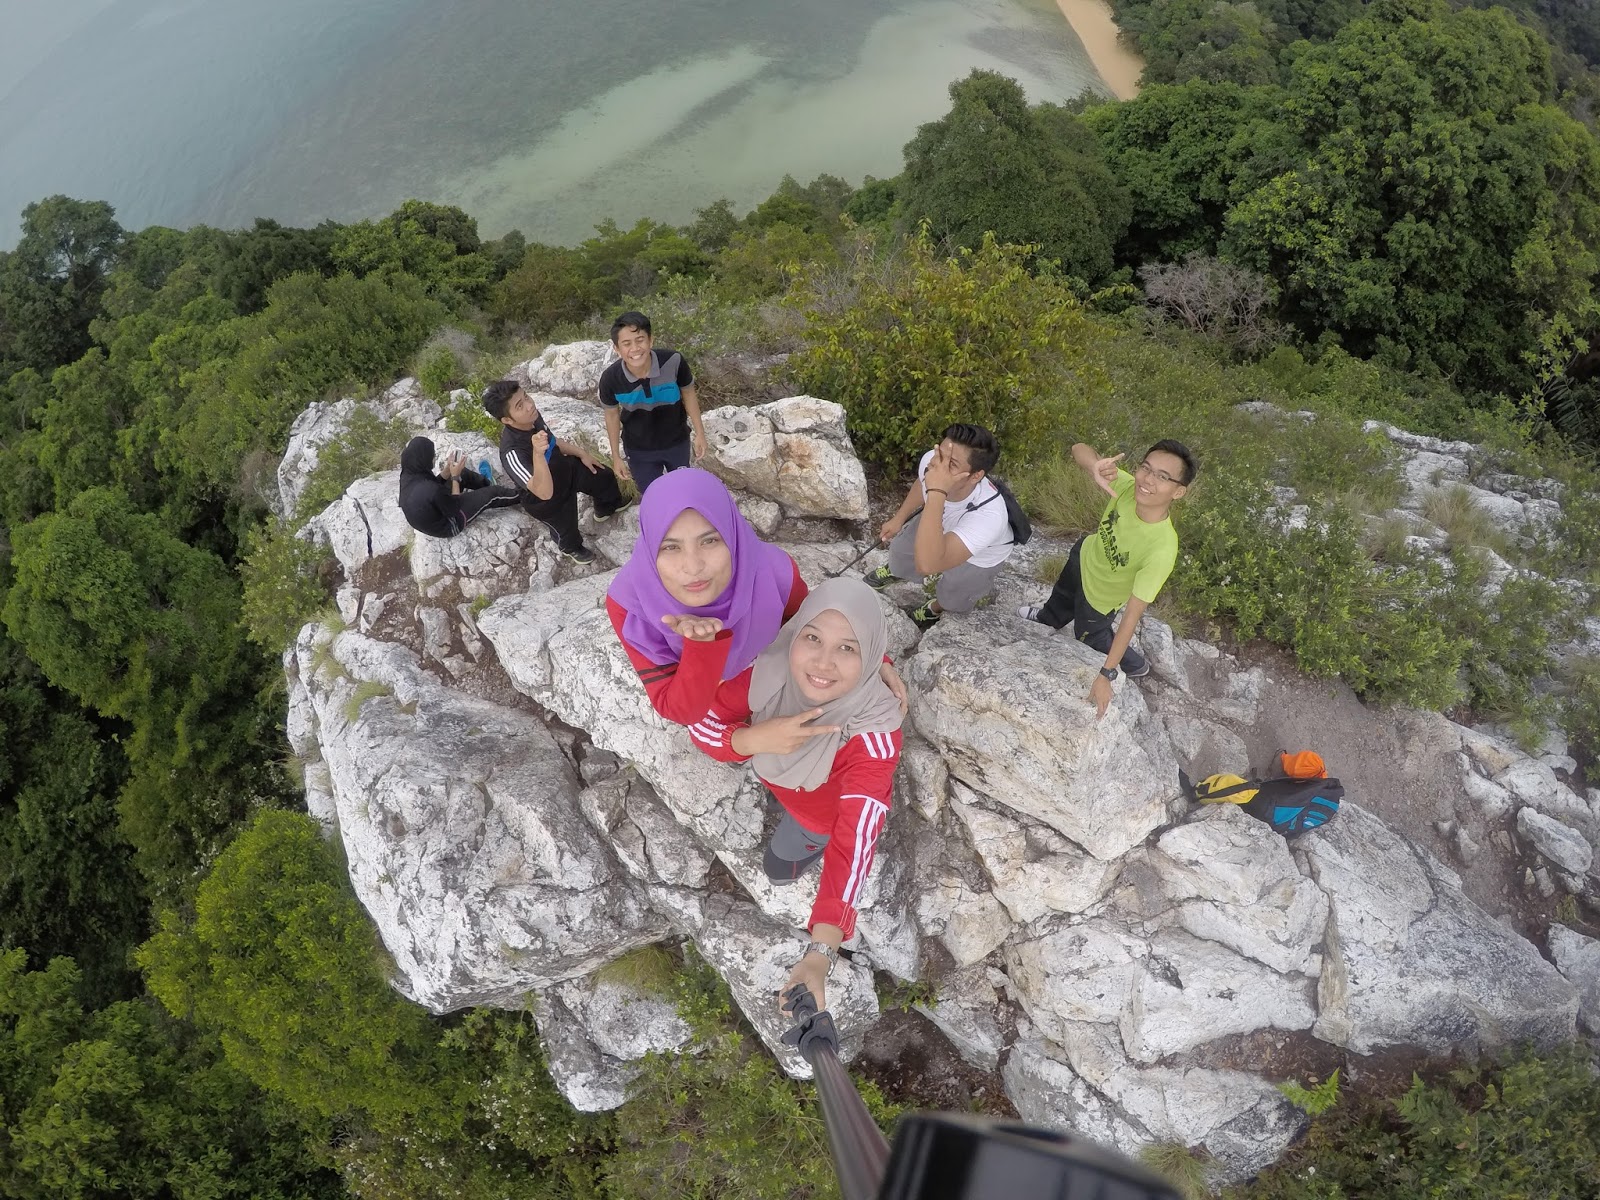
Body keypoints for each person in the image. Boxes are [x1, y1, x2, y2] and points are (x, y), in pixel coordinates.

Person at [687, 578, 903, 1012]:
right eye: (812, 637)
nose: (822, 662)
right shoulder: (769, 667)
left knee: (778, 871)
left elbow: (855, 837)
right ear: (796, 632)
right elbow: (702, 721)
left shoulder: (875, 735)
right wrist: (749, 740)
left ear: (870, 656)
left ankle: (806, 838)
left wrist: (821, 950)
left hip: (819, 818)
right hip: (781, 781)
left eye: (849, 648)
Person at [606, 469, 907, 725]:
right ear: (649, 550)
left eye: (710, 540)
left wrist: (874, 658)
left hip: (768, 682)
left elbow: (814, 621)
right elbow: (681, 711)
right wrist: (700, 647)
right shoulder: (631, 605)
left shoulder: (774, 573)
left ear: (733, 535)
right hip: (710, 700)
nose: (693, 566)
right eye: (670, 547)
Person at [1018, 439, 1196, 719]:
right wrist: (1095, 466)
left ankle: (1135, 664)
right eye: (1146, 468)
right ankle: (1046, 621)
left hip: (1099, 600)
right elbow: (1078, 448)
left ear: (1179, 491)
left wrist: (1106, 672)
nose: (1148, 480)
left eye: (1163, 477)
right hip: (1083, 558)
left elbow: (1132, 615)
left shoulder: (1161, 549)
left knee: (1090, 635)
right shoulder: (1127, 487)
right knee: (1060, 600)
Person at [865, 423, 1015, 630]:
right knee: (901, 551)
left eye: (951, 464)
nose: (937, 466)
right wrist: (899, 518)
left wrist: (937, 490)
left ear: (975, 476)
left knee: (954, 593)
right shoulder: (933, 461)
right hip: (941, 517)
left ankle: (935, 608)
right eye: (940, 454)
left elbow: (928, 565)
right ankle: (896, 571)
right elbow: (922, 483)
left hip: (979, 555)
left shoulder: (990, 517)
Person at [483, 379, 628, 565]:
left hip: (565, 469)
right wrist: (537, 452)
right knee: (566, 530)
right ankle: (571, 548)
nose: (530, 405)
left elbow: (553, 441)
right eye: (520, 406)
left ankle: (605, 507)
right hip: (546, 501)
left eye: (526, 396)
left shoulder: (533, 418)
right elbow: (543, 492)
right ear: (507, 420)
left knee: (603, 476)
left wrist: (582, 454)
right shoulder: (512, 452)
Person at [598, 310, 708, 492]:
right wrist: (616, 456)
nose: (634, 349)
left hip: (677, 441)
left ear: (651, 340)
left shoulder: (673, 361)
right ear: (616, 349)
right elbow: (611, 415)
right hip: (639, 449)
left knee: (684, 490)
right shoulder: (610, 379)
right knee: (652, 495)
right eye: (626, 344)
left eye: (640, 340)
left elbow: (689, 393)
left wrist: (700, 433)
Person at [396, 436, 521, 538]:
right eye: (432, 456)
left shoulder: (409, 473)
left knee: (463, 473)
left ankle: (487, 483)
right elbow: (455, 507)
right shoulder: (431, 490)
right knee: (494, 493)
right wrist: (455, 477)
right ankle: (522, 495)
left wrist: (448, 469)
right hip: (449, 524)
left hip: (433, 510)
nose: (433, 459)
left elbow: (434, 485)